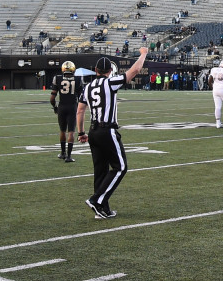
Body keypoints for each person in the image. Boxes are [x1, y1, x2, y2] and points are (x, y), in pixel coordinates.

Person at [77, 46, 149, 219]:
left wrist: (81, 133)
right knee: (120, 167)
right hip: (107, 130)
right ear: (110, 71)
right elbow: (136, 70)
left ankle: (103, 209)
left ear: (95, 70)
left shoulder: (87, 87)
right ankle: (97, 200)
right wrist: (144, 54)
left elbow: (80, 111)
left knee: (100, 171)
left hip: (93, 131)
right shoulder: (110, 82)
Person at [50, 60, 81, 162]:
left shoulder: (57, 78)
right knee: (71, 131)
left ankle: (63, 153)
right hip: (72, 107)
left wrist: (55, 107)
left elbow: (52, 98)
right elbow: (82, 96)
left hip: (62, 107)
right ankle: (69, 156)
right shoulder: (78, 79)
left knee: (62, 130)